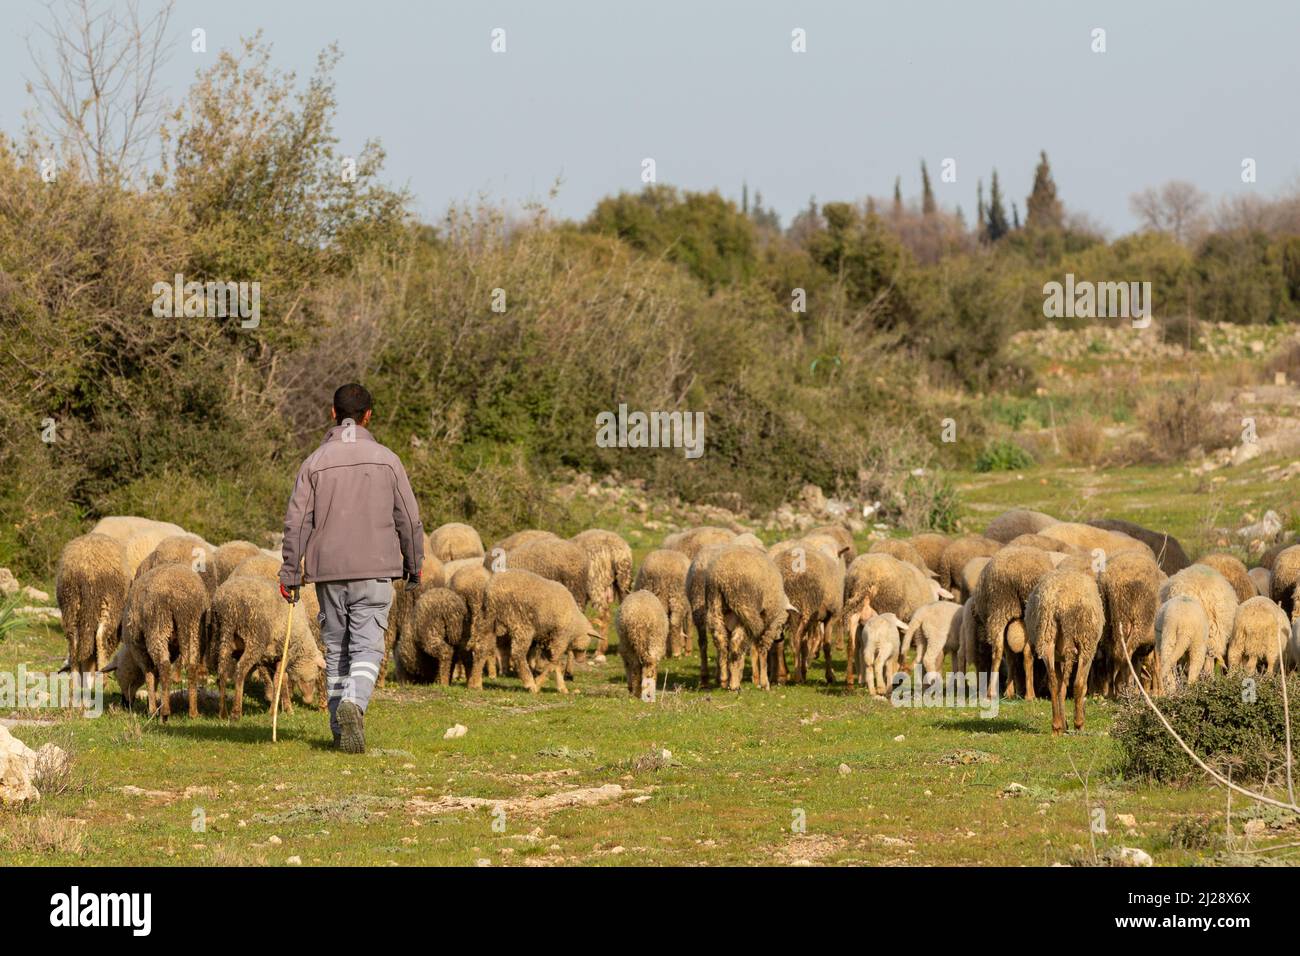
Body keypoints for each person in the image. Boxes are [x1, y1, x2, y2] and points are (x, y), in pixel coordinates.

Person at [278, 383, 423, 753]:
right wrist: (414, 566)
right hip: (374, 570)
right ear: (368, 415)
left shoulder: (314, 462)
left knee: (336, 648)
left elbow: (297, 523)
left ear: (332, 413)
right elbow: (408, 517)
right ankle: (354, 704)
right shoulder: (388, 459)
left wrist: (291, 574)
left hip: (327, 572)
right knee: (368, 647)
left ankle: (339, 732)